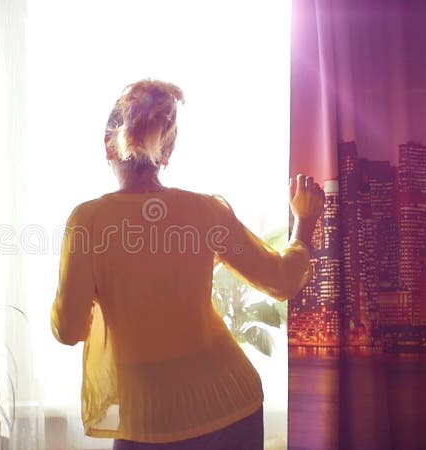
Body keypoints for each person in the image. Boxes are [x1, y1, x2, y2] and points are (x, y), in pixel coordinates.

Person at [50, 79, 324, 449]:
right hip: (231, 405)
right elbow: (281, 280)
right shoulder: (205, 213)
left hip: (147, 421)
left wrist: (102, 291)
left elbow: (68, 330)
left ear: (108, 146)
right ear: (169, 150)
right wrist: (304, 220)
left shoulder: (88, 222)